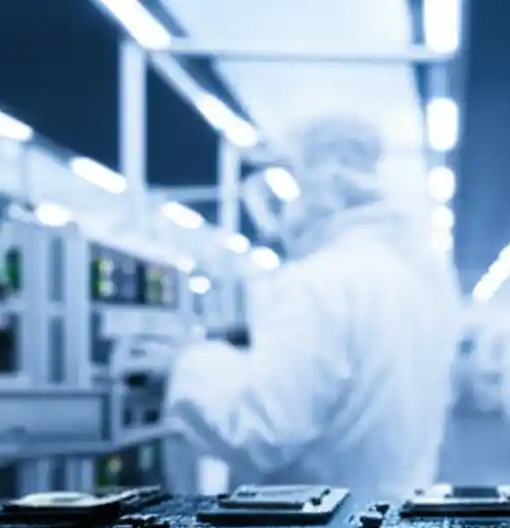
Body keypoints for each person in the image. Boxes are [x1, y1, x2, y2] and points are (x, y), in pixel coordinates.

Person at [165, 115, 461, 497]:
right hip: (396, 513)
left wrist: (190, 363)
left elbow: (262, 431)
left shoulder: (319, 281)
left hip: (320, 527)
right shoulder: (419, 279)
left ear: (317, 184)